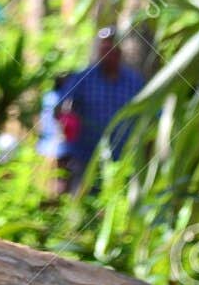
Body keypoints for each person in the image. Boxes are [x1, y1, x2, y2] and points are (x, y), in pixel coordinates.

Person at [56, 26, 145, 191]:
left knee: (118, 194)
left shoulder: (134, 81)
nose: (108, 53)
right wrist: (68, 122)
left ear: (119, 52)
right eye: (104, 48)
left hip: (122, 152)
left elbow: (148, 110)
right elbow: (60, 105)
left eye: (112, 48)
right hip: (86, 153)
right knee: (86, 195)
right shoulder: (83, 78)